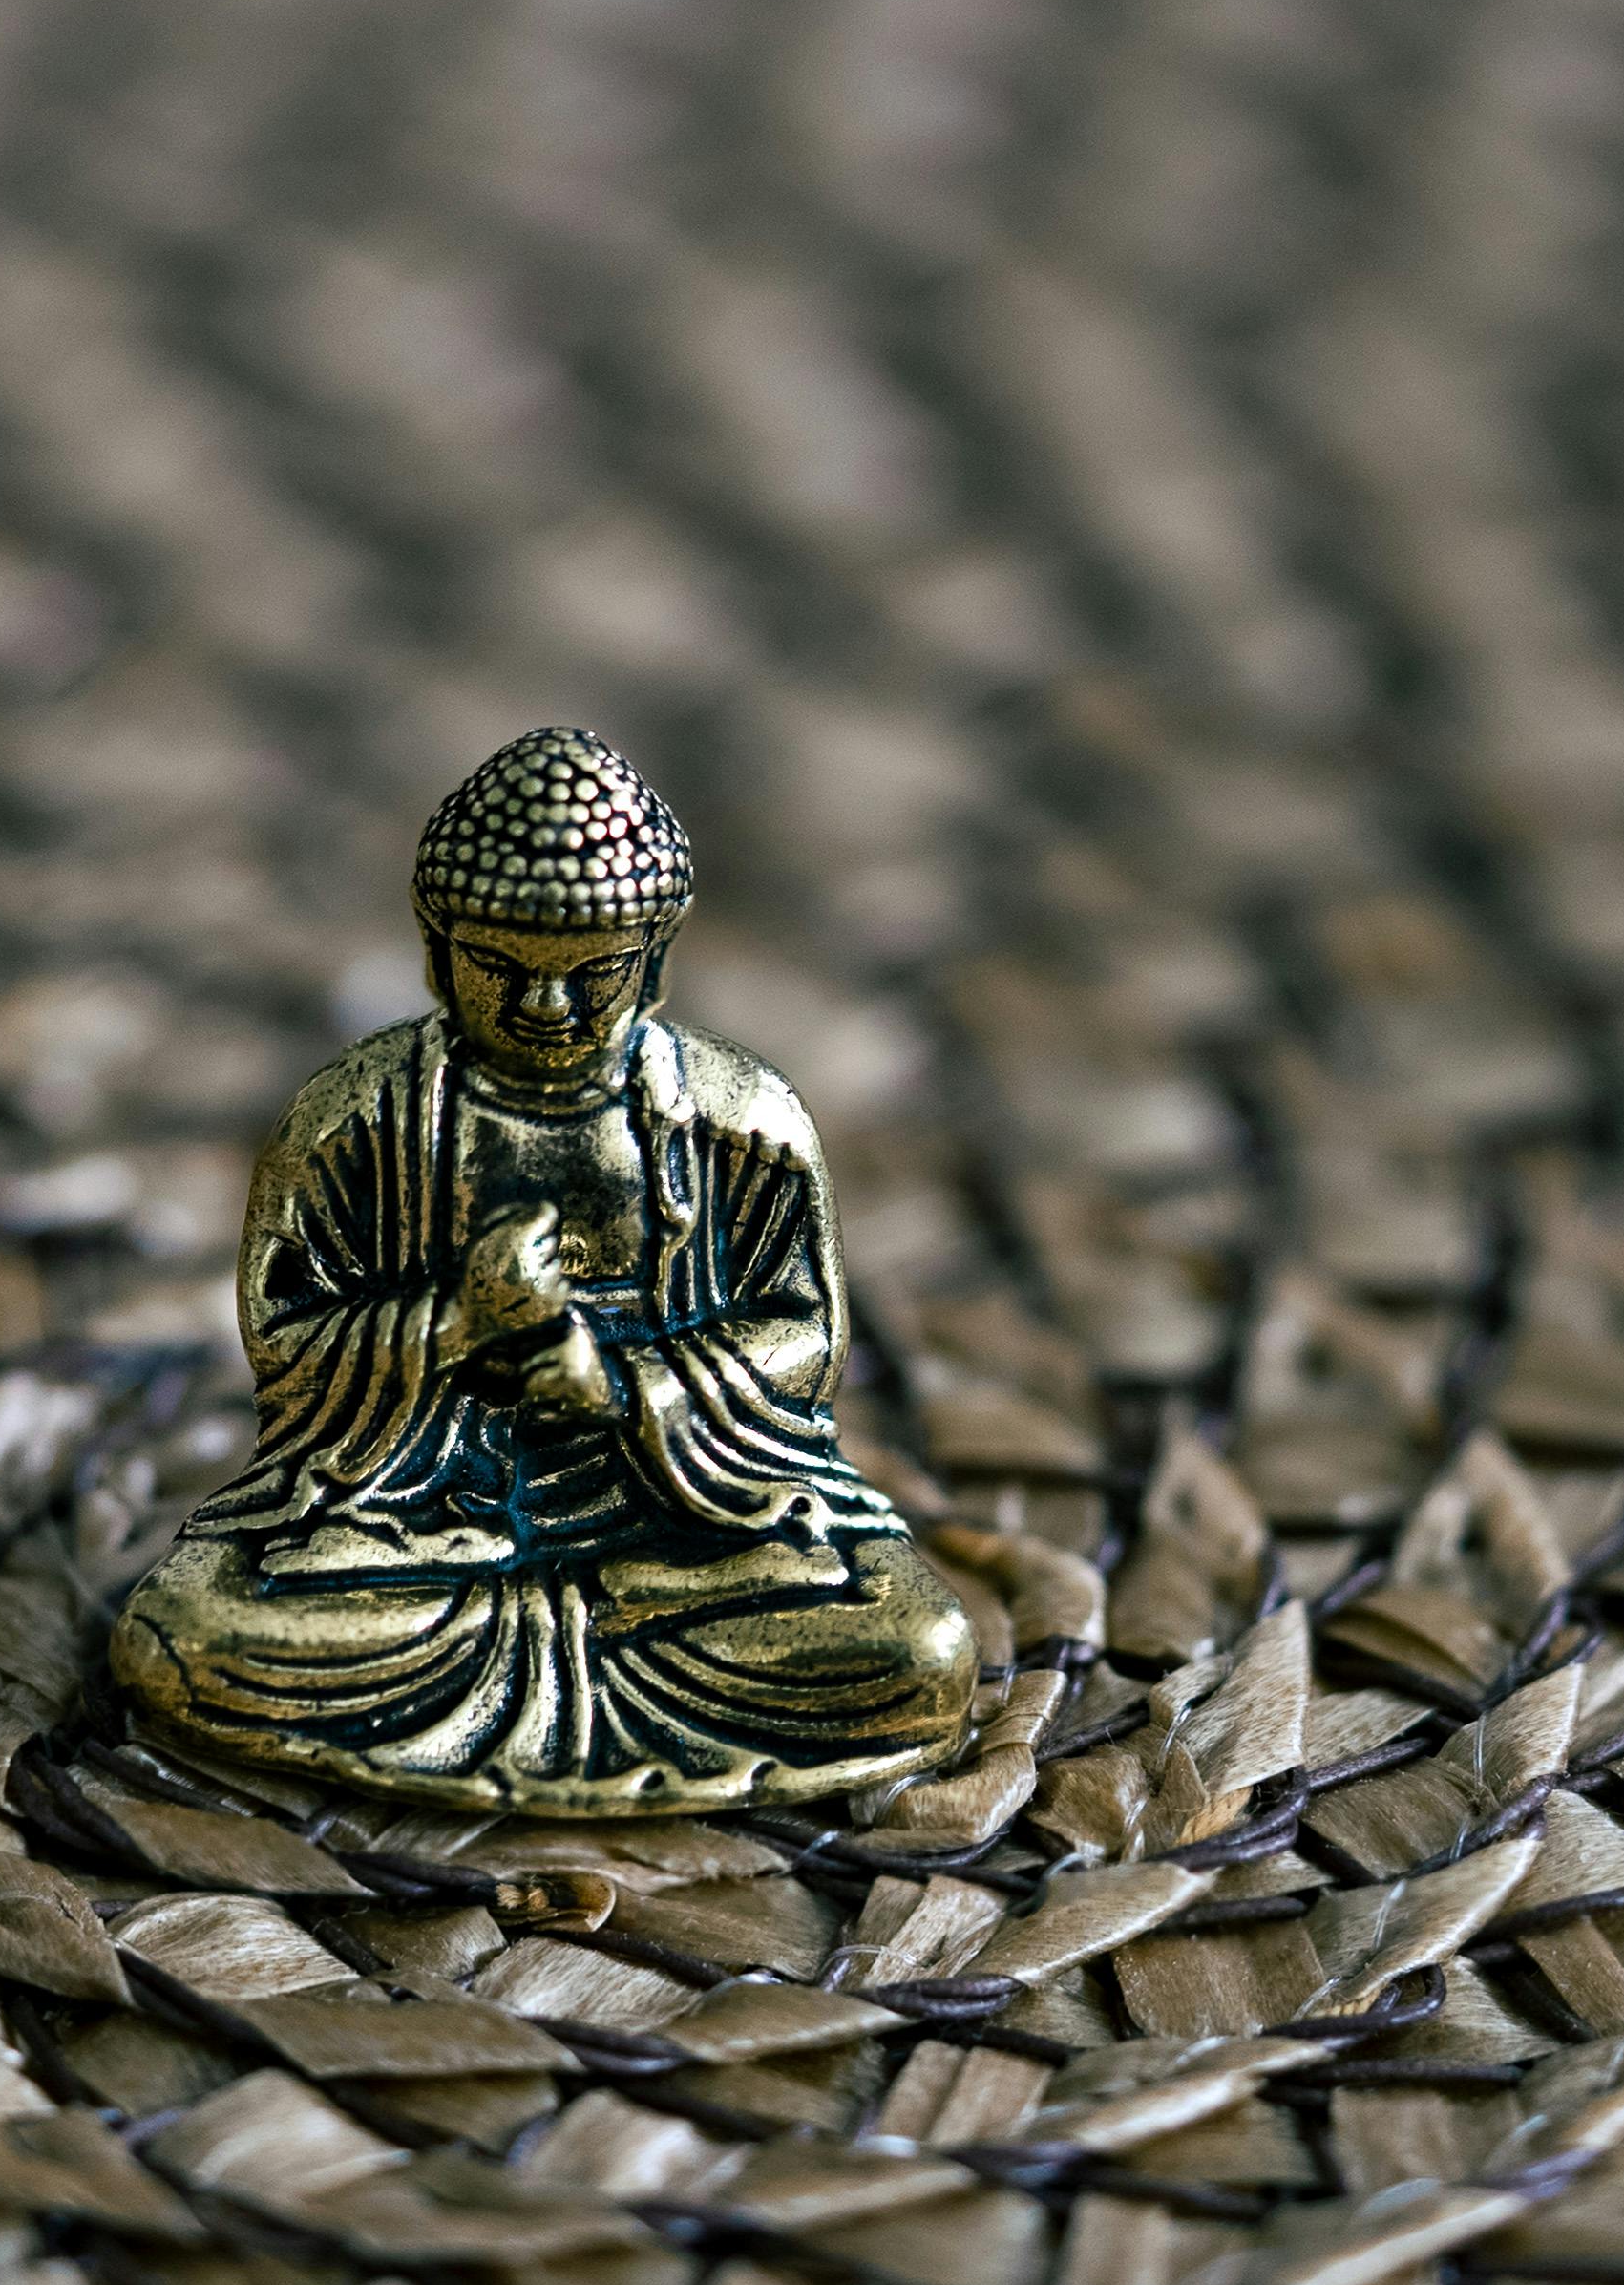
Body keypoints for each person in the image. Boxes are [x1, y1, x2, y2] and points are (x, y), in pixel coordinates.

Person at [109, 727, 979, 1812]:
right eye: (501, 968)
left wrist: (625, 1389)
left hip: (693, 1534)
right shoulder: (356, 1116)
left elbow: (803, 1329)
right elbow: (287, 1335)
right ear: (436, 951)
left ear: (654, 959)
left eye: (593, 974)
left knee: (921, 1649)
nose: (547, 1007)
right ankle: (577, 1657)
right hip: (421, 1527)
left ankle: (580, 1642)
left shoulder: (742, 1119)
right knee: (186, 1636)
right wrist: (452, 1325)